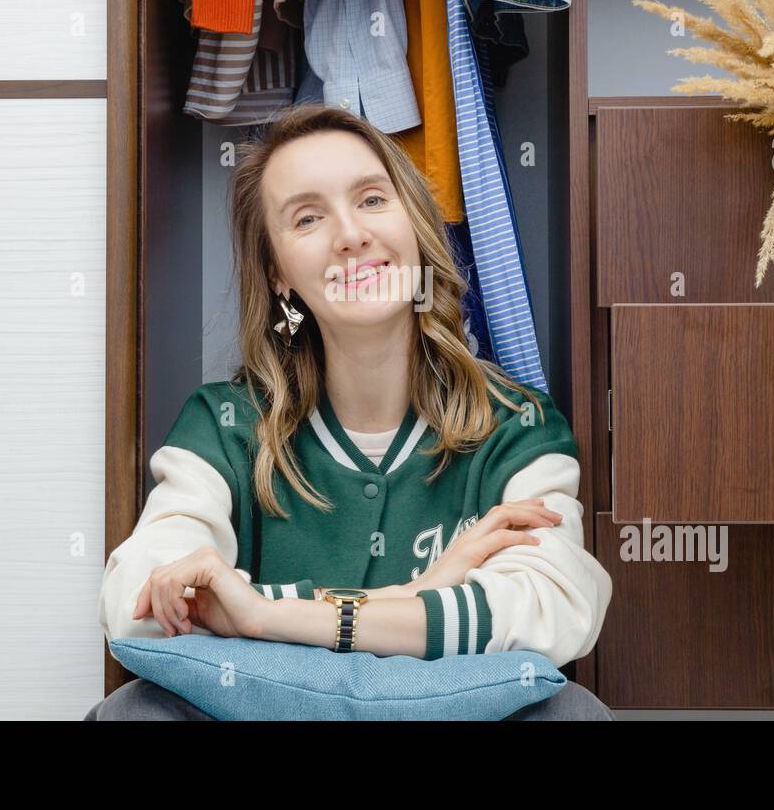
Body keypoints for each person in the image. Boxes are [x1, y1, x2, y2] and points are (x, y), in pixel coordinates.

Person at [88, 103, 614, 720]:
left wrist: (266, 613)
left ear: (414, 224)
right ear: (278, 273)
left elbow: (556, 611)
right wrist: (416, 593)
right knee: (134, 712)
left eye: (371, 200)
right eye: (308, 217)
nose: (350, 235)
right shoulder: (224, 424)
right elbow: (138, 606)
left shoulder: (517, 426)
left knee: (569, 713)